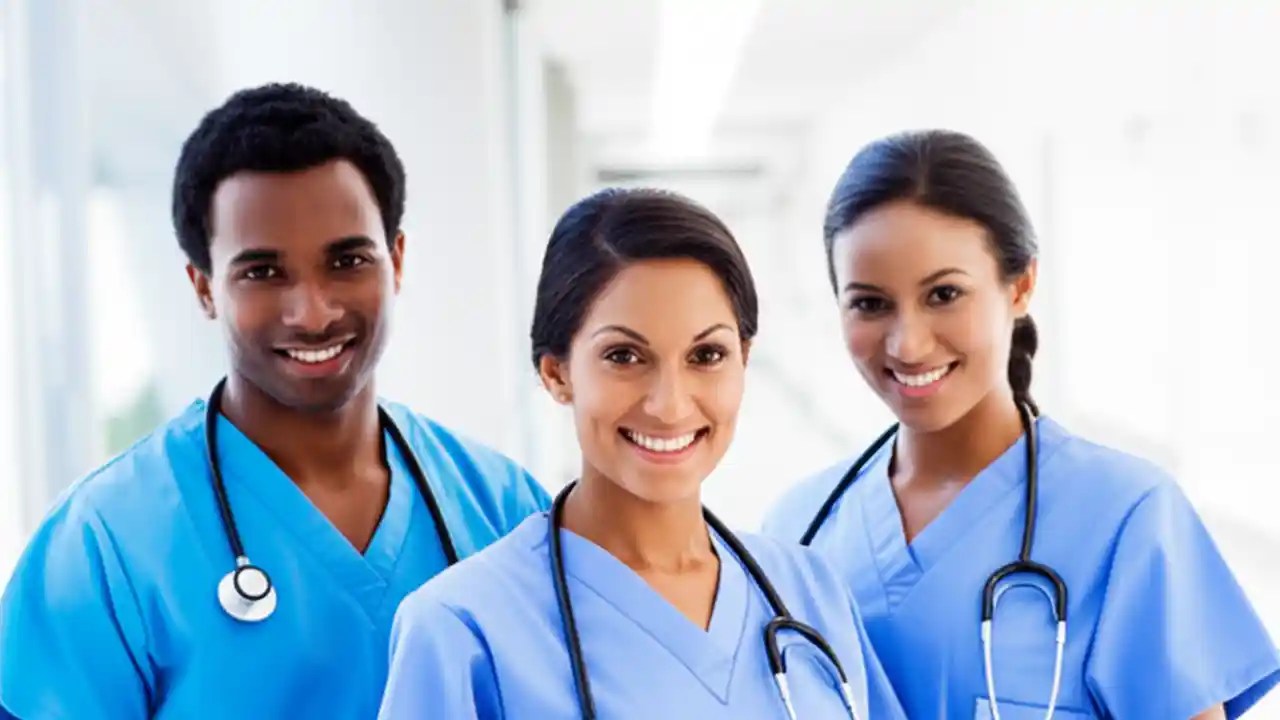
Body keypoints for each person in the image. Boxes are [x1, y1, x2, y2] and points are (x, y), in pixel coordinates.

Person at [0, 83, 550, 719]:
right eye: (261, 272)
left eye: (347, 260)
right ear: (204, 288)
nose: (312, 313)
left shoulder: (503, 507)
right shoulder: (104, 543)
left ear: (396, 261)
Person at [763, 129, 1280, 719]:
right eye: (870, 303)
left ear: (1021, 286)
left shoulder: (1125, 517)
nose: (907, 343)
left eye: (944, 294)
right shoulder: (799, 531)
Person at [376, 188, 905, 719]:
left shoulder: (811, 595)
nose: (670, 405)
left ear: (744, 359)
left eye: (706, 355)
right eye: (624, 356)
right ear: (556, 372)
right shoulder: (462, 626)